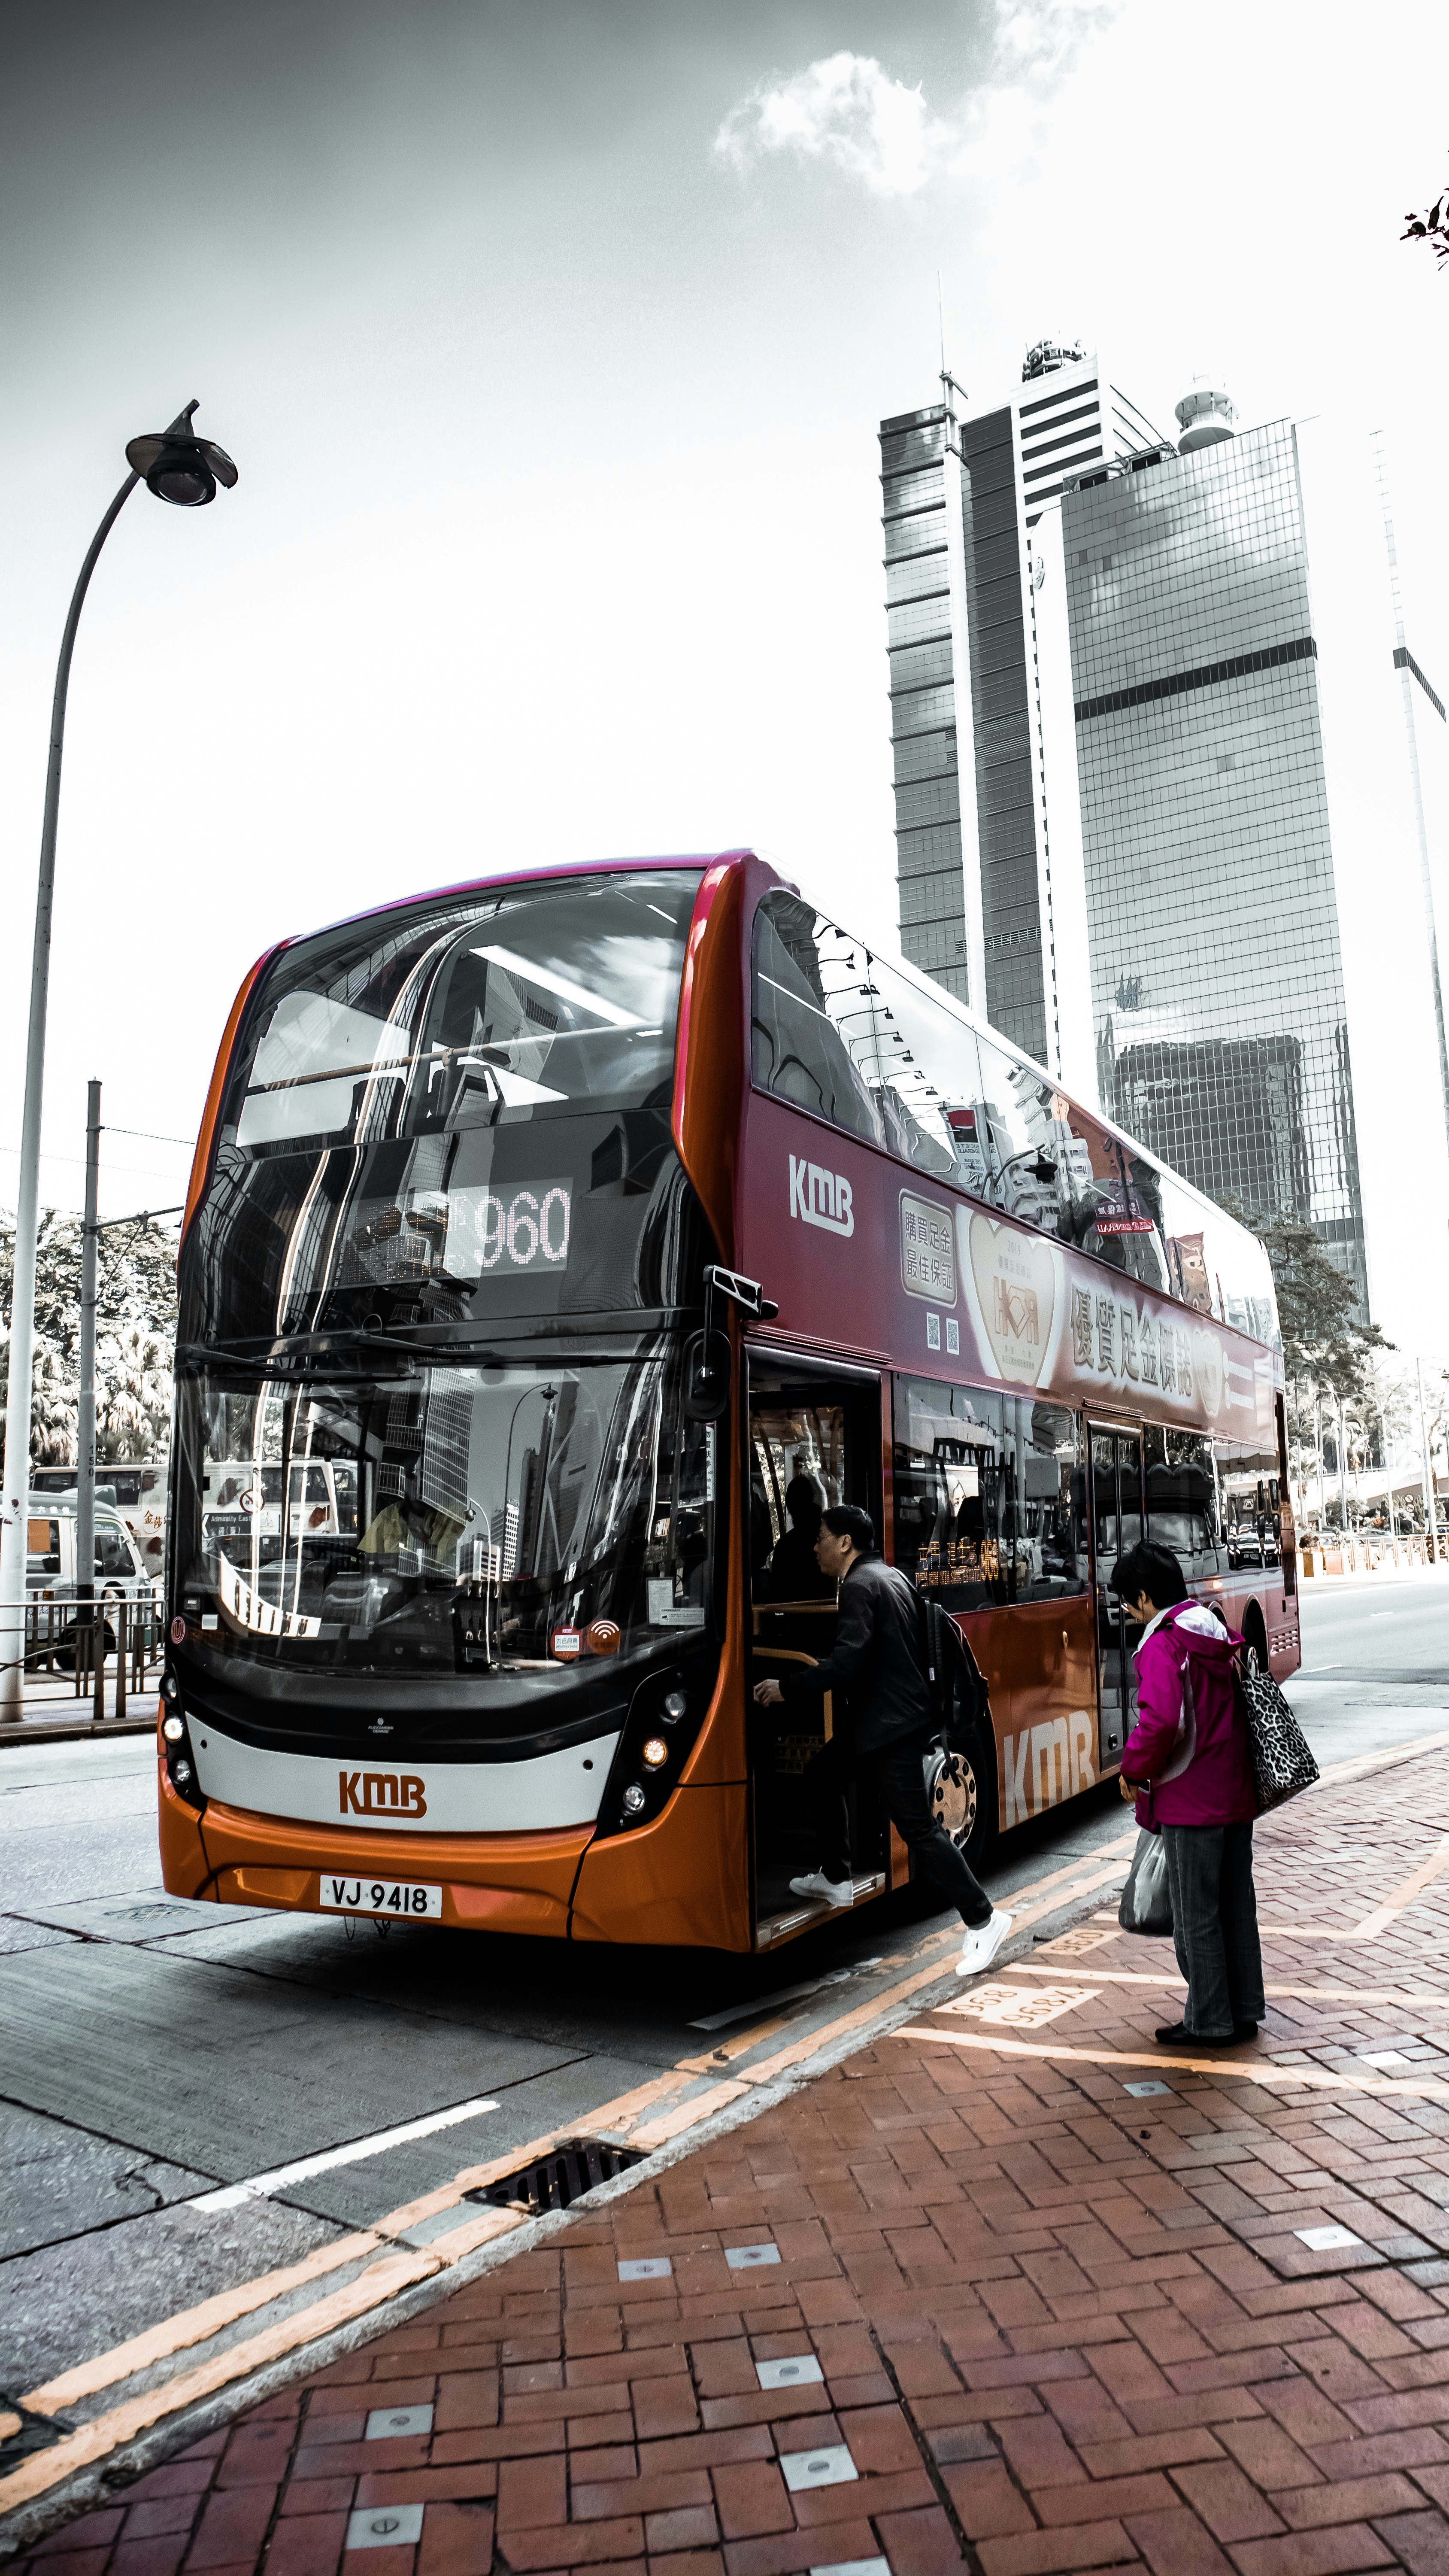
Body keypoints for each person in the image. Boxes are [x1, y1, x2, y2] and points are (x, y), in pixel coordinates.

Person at [752, 1503, 1012, 1977]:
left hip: (891, 1728)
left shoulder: (857, 1587)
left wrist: (785, 1688)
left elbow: (847, 1662)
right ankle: (835, 1878)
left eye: (821, 1538)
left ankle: (985, 1919)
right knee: (822, 1774)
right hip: (887, 1721)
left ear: (845, 1543)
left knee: (918, 1830)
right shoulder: (890, 1576)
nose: (815, 1547)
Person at [1112, 1538, 1264, 2048]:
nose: (1128, 1614)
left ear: (1142, 1597)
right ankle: (1242, 2011)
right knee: (1236, 1903)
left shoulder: (1163, 1644)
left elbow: (1161, 1722)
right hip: (1235, 1791)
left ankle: (1207, 2021)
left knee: (1195, 1913)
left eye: (1127, 1603)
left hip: (1189, 1798)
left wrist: (1132, 1771)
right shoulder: (1215, 1628)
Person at [761, 1474, 834, 1601]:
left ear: (789, 1507)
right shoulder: (828, 1540)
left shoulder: (784, 1546)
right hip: (828, 1615)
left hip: (794, 1618)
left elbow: (778, 1592)